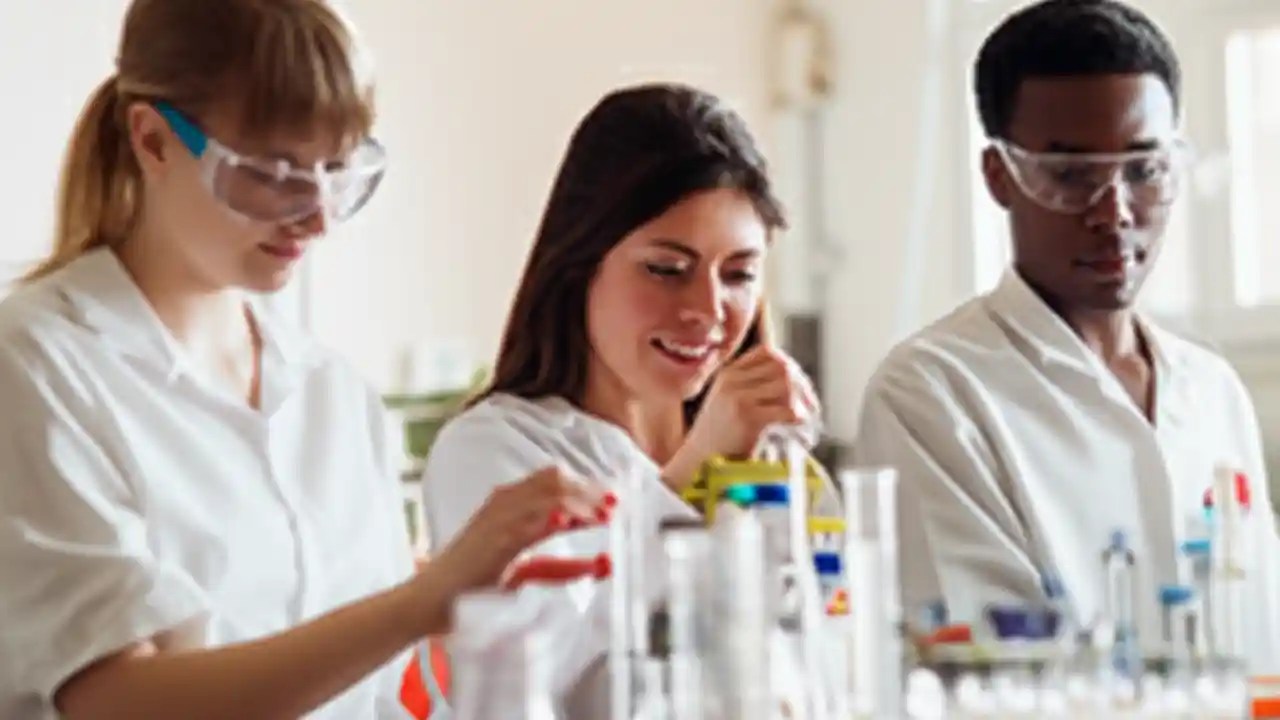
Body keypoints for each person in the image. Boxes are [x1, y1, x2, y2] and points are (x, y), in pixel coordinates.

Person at [0, 2, 613, 718]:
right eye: (273, 173)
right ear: (153, 140)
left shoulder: (332, 393)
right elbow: (115, 700)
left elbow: (379, 699)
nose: (317, 217)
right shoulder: (39, 366)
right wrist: (419, 602)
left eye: (338, 171)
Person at [854, 0, 1280, 671]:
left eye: (1143, 171)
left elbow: (1260, 643)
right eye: (1071, 176)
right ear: (999, 176)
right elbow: (984, 676)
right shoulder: (933, 395)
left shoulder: (1212, 392)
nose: (1113, 214)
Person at [421, 82, 821, 717]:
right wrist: (693, 474)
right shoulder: (492, 449)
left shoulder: (757, 449)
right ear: (581, 262)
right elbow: (542, 681)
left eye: (739, 274)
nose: (708, 312)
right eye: (667, 269)